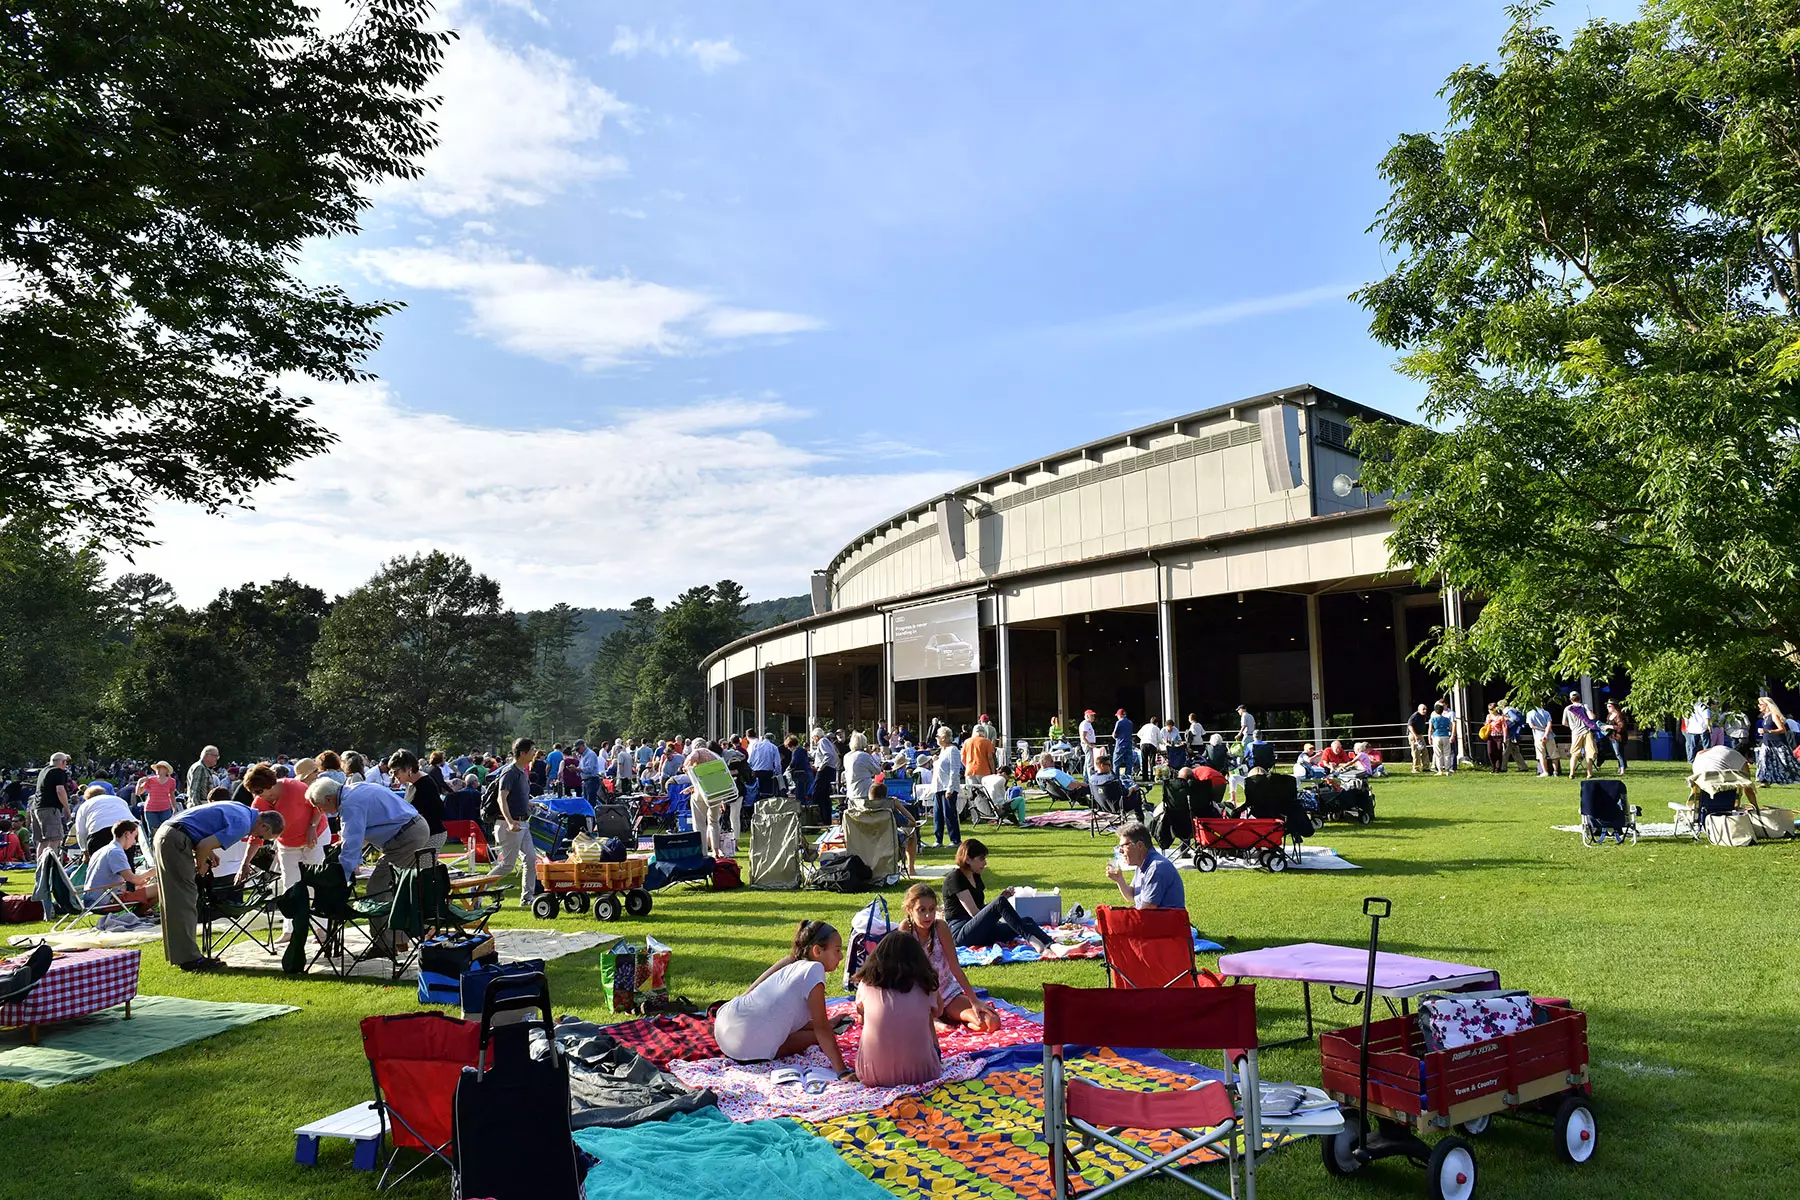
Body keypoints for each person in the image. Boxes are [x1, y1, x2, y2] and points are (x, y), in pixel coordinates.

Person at [306, 776, 432, 956]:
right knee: (393, 888)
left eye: (319, 806)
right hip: (413, 829)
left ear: (329, 799)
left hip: (406, 836)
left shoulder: (350, 805)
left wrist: (342, 875)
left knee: (377, 889)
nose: (320, 811)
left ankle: (384, 946)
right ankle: (399, 940)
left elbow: (353, 841)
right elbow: (364, 829)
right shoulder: (355, 789)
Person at [712, 920, 852, 1078]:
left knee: (817, 1032)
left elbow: (778, 1009)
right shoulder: (814, 969)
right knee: (822, 1037)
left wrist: (829, 1022)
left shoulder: (791, 964)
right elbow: (821, 1029)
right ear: (817, 951)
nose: (840, 957)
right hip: (746, 1048)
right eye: (837, 950)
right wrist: (843, 1072)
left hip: (724, 1030)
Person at [153, 799, 283, 971]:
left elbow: (201, 832)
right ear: (265, 826)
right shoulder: (244, 824)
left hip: (168, 834)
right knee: (185, 898)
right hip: (175, 839)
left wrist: (209, 854)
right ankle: (190, 959)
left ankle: (183, 955)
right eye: (261, 836)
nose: (256, 838)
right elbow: (203, 845)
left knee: (175, 898)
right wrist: (201, 867)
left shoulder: (242, 809)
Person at [898, 882, 1007, 1032]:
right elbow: (904, 972)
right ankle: (933, 1020)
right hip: (919, 996)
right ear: (910, 910)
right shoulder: (906, 929)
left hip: (947, 993)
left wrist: (974, 1000)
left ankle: (950, 1018)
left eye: (931, 909)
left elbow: (955, 967)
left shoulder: (940, 927)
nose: (928, 915)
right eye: (921, 910)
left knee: (992, 1022)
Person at [244, 759, 327, 938]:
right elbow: (255, 835)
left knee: (315, 882)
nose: (257, 795)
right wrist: (246, 863)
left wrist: (312, 827)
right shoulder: (259, 803)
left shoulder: (296, 788)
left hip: (314, 836)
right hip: (287, 843)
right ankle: (290, 929)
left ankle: (321, 928)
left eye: (259, 791)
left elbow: (318, 805)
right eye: (253, 792)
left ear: (270, 784)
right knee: (290, 884)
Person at [852, 929, 942, 1085]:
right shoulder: (927, 987)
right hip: (924, 1074)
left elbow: (861, 1016)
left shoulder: (866, 984)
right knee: (927, 1018)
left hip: (871, 1075)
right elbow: (938, 1011)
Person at [941, 839, 1053, 954]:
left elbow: (981, 910)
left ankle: (1052, 945)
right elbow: (974, 912)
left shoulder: (975, 876)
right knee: (1000, 902)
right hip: (961, 933)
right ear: (968, 859)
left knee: (1026, 922)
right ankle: (1032, 940)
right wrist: (997, 904)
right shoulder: (955, 878)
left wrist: (999, 901)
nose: (985, 863)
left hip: (980, 930)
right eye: (981, 859)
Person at [487, 738, 540, 907]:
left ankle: (527, 898)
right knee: (508, 865)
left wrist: (531, 804)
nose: (534, 753)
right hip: (508, 824)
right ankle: (476, 890)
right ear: (523, 753)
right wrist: (510, 821)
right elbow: (501, 799)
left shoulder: (523, 772)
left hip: (523, 824)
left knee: (531, 859)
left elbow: (517, 798)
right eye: (532, 750)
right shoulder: (510, 772)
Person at [1105, 819, 1185, 910]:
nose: (1120, 850)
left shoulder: (1156, 868)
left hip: (1165, 923)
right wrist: (1119, 880)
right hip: (1155, 921)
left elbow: (1147, 911)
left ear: (1139, 845)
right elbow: (1132, 896)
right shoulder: (1143, 864)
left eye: (1124, 846)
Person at [87, 819, 158, 913]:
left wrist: (140, 880)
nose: (134, 842)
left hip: (95, 898)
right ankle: (137, 915)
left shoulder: (102, 850)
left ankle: (141, 914)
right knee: (160, 888)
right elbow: (132, 879)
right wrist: (152, 872)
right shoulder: (116, 852)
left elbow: (129, 880)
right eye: (134, 837)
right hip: (105, 901)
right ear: (127, 834)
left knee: (142, 887)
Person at [388, 751, 447, 852]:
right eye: (391, 772)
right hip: (418, 837)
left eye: (395, 772)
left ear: (408, 769)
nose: (393, 776)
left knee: (423, 867)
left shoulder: (426, 784)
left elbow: (439, 812)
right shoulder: (410, 784)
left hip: (432, 835)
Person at [74, 783, 135, 857]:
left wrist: (85, 852)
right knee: (127, 862)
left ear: (87, 798)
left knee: (99, 863)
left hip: (100, 832)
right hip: (127, 829)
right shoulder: (119, 800)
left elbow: (81, 832)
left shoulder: (85, 805)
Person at [928, 727, 964, 848]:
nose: (936, 739)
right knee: (937, 814)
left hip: (947, 787)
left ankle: (955, 839)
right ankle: (938, 839)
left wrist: (950, 788)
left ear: (944, 737)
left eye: (938, 736)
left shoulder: (952, 750)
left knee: (949, 814)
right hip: (938, 787)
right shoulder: (942, 751)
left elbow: (954, 770)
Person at [32, 751, 75, 854]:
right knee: (55, 839)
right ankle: (50, 867)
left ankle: (41, 867)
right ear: (63, 762)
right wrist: (67, 808)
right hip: (50, 808)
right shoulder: (58, 771)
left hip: (37, 807)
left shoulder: (43, 771)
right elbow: (60, 790)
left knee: (43, 841)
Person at [1755, 697, 1800, 785]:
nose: (1758, 706)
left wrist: (1768, 731)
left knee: (1786, 763)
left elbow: (1782, 729)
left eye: (1760, 704)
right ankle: (1764, 780)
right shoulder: (1765, 717)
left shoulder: (1773, 715)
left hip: (1777, 743)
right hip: (1767, 742)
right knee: (1764, 761)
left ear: (1767, 705)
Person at [1562, 692, 1601, 780]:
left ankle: (1571, 773)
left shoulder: (1567, 708)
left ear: (1570, 699)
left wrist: (1572, 726)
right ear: (1580, 698)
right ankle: (1589, 774)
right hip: (1587, 732)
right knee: (1589, 753)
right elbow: (1591, 717)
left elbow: (1564, 723)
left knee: (1574, 754)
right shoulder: (1584, 706)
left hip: (1575, 733)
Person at [138, 761, 179, 836]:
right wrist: (140, 782)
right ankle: (153, 848)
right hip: (150, 810)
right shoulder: (150, 780)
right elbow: (138, 792)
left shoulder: (172, 781)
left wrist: (174, 809)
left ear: (166, 770)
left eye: (160, 768)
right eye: (157, 768)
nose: (158, 770)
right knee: (153, 833)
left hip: (165, 809)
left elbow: (172, 796)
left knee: (167, 831)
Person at [810, 727, 841, 825]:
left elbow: (828, 756)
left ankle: (816, 818)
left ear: (816, 737)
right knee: (825, 796)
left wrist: (820, 767)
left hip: (824, 770)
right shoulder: (827, 742)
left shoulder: (822, 742)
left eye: (813, 738)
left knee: (816, 794)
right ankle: (826, 819)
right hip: (829, 769)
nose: (813, 741)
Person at [843, 732, 880, 808]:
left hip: (851, 793)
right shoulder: (864, 756)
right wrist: (870, 754)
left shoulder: (846, 756)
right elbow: (877, 770)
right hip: (864, 793)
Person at [747, 731, 782, 801]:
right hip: (767, 773)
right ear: (772, 740)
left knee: (755, 793)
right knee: (766, 795)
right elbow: (777, 764)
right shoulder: (774, 747)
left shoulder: (756, 746)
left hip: (755, 772)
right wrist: (779, 773)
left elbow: (750, 760)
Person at [1602, 701, 1633, 776]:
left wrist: (1609, 727)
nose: (1608, 708)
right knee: (1619, 753)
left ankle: (1622, 769)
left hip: (1618, 737)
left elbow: (1621, 727)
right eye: (1607, 706)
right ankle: (1621, 767)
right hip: (1612, 736)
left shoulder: (1619, 715)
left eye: (1609, 706)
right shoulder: (1610, 715)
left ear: (1614, 706)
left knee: (1618, 753)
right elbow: (1608, 724)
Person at [1428, 702, 1455, 774]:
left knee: (1438, 754)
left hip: (1436, 736)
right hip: (1446, 736)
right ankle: (1447, 770)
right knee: (1447, 753)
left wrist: (1429, 738)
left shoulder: (1433, 719)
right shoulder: (1446, 719)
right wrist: (1452, 735)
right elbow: (1451, 728)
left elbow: (1430, 729)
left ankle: (1440, 770)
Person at [1482, 704, 1510, 773]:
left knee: (1499, 751)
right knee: (1490, 752)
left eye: (1491, 709)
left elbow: (1504, 727)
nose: (1490, 711)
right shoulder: (1488, 716)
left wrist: (1504, 738)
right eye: (1489, 709)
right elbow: (1486, 725)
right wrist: (1488, 722)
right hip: (1491, 736)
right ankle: (1493, 765)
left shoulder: (1500, 717)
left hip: (1499, 736)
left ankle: (1497, 768)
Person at [1685, 698, 1713, 763]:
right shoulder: (1704, 706)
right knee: (1706, 745)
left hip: (1692, 728)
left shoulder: (1689, 706)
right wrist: (1709, 726)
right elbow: (1707, 717)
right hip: (1703, 727)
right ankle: (1707, 759)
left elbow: (1686, 717)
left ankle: (1691, 760)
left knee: (1693, 746)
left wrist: (1687, 726)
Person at [576, 740, 603, 807]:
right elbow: (581, 767)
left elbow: (589, 769)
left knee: (590, 802)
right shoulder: (582, 756)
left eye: (578, 749)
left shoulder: (590, 754)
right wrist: (576, 770)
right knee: (586, 802)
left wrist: (577, 769)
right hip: (586, 781)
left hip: (592, 780)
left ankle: (592, 816)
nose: (577, 751)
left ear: (583, 746)